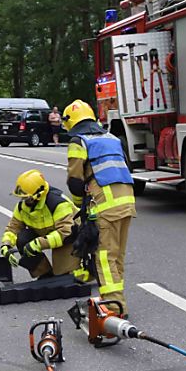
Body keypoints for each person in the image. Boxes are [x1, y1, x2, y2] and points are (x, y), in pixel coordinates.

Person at [62, 99, 136, 317]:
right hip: (127, 201)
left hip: (105, 204)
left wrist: (79, 208)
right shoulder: (111, 137)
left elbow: (75, 181)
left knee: (104, 257)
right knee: (117, 255)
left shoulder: (78, 141)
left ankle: (113, 307)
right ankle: (116, 297)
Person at [0, 169, 80, 279]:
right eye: (22, 198)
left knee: (65, 278)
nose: (24, 201)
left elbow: (65, 233)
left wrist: (38, 243)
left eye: (27, 197)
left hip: (69, 239)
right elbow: (13, 228)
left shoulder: (58, 204)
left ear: (39, 194)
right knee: (22, 238)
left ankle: (84, 266)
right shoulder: (22, 207)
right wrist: (6, 245)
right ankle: (44, 274)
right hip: (48, 235)